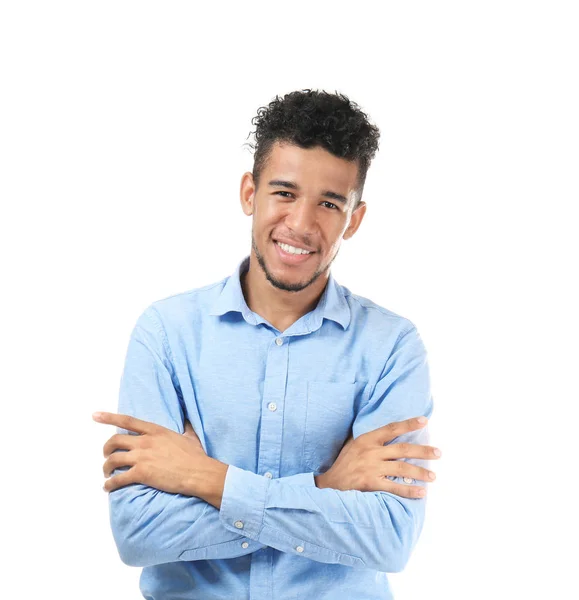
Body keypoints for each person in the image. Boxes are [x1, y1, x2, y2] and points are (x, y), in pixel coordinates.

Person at [93, 89, 440, 600]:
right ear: (249, 194)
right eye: (284, 193)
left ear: (355, 219)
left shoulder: (391, 348)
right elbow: (139, 533)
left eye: (328, 203)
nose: (300, 224)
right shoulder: (166, 333)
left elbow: (387, 539)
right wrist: (324, 490)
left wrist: (206, 478)